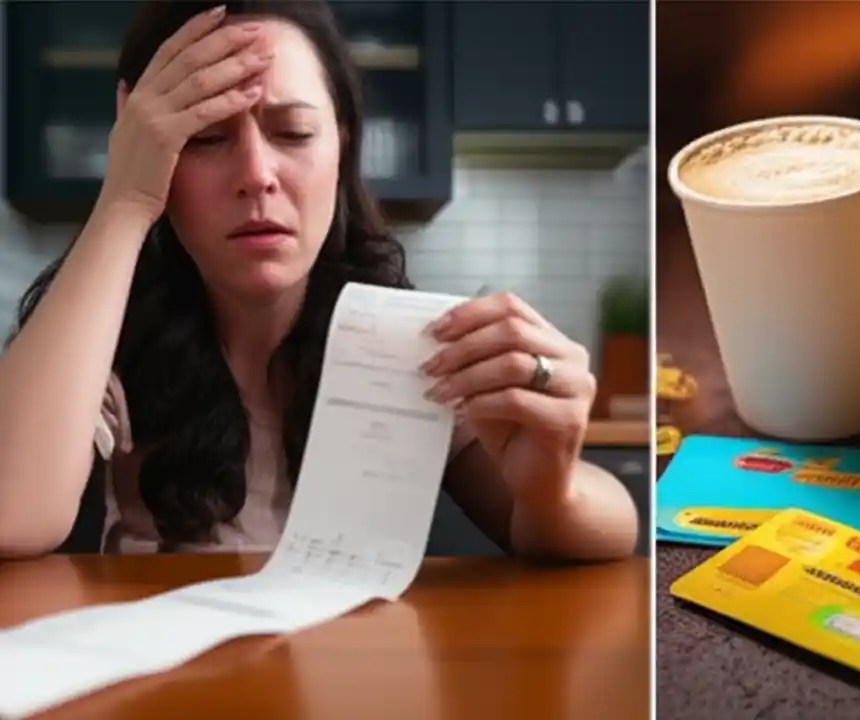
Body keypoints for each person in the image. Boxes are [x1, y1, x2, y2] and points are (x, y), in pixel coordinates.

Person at [0, 1, 639, 560]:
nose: (257, 174)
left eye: (294, 132)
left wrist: (552, 483)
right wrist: (125, 196)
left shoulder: (409, 348)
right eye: (206, 137)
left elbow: (609, 529)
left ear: (341, 147)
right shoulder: (97, 342)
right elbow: (12, 514)